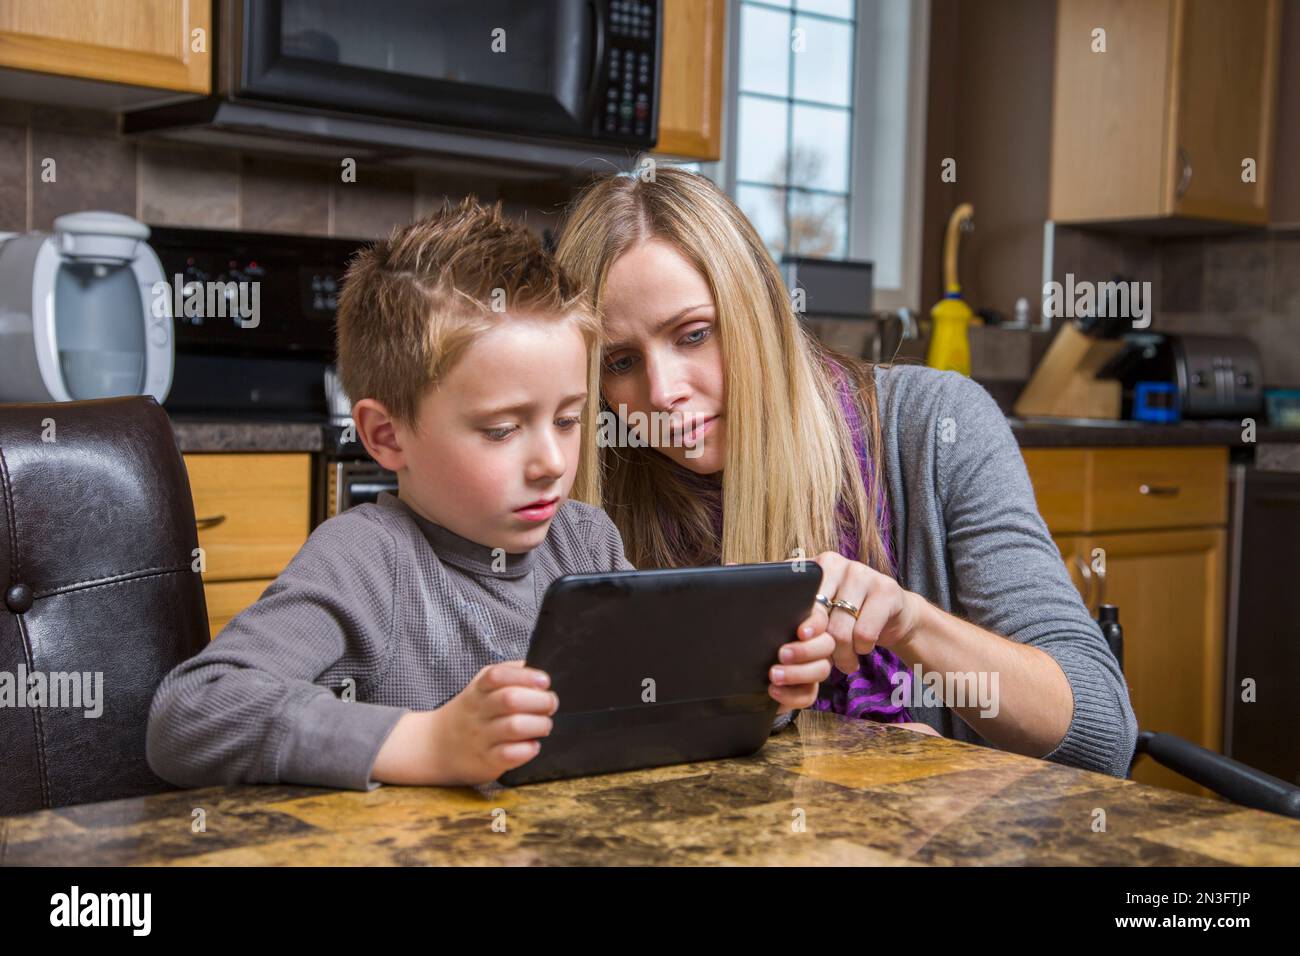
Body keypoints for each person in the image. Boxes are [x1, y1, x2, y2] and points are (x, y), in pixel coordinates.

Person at [146, 199, 835, 790]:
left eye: (568, 420)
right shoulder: (364, 560)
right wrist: (426, 743)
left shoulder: (585, 541)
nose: (551, 462)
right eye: (503, 429)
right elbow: (191, 713)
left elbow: (649, 696)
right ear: (387, 438)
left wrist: (754, 687)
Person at [555, 168, 1138, 776]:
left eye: (695, 334)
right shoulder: (593, 492)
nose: (664, 391)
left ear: (761, 310)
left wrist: (912, 622)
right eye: (620, 362)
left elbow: (1099, 733)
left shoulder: (937, 427)